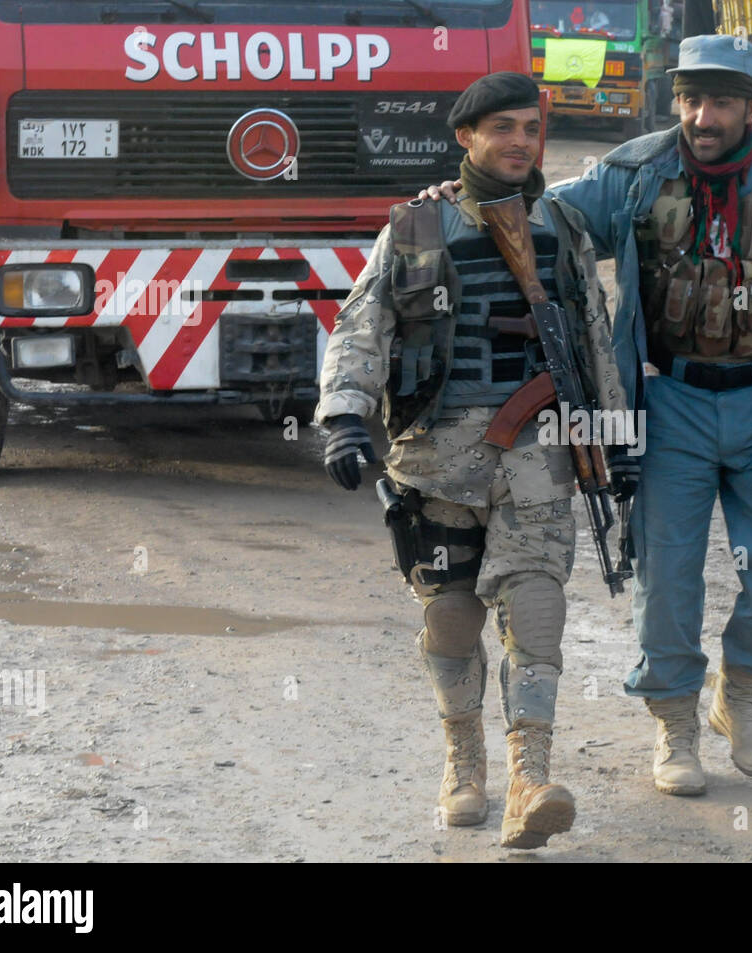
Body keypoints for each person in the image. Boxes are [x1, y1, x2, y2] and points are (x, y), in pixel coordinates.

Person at [423, 35, 752, 797]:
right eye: (692, 98)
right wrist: (459, 202)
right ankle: (675, 720)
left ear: (748, 108)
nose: (704, 114)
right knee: (666, 574)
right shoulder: (634, 175)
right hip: (668, 401)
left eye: (722, 100)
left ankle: (742, 693)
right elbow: (542, 217)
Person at [316, 72, 630, 848]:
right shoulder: (415, 229)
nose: (521, 141)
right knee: (451, 618)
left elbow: (595, 334)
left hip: (542, 455)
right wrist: (346, 419)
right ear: (466, 138)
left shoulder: (561, 224)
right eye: (503, 129)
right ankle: (465, 761)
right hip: (438, 456)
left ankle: (532, 777)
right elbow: (363, 326)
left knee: (536, 607)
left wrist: (620, 443)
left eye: (531, 127)